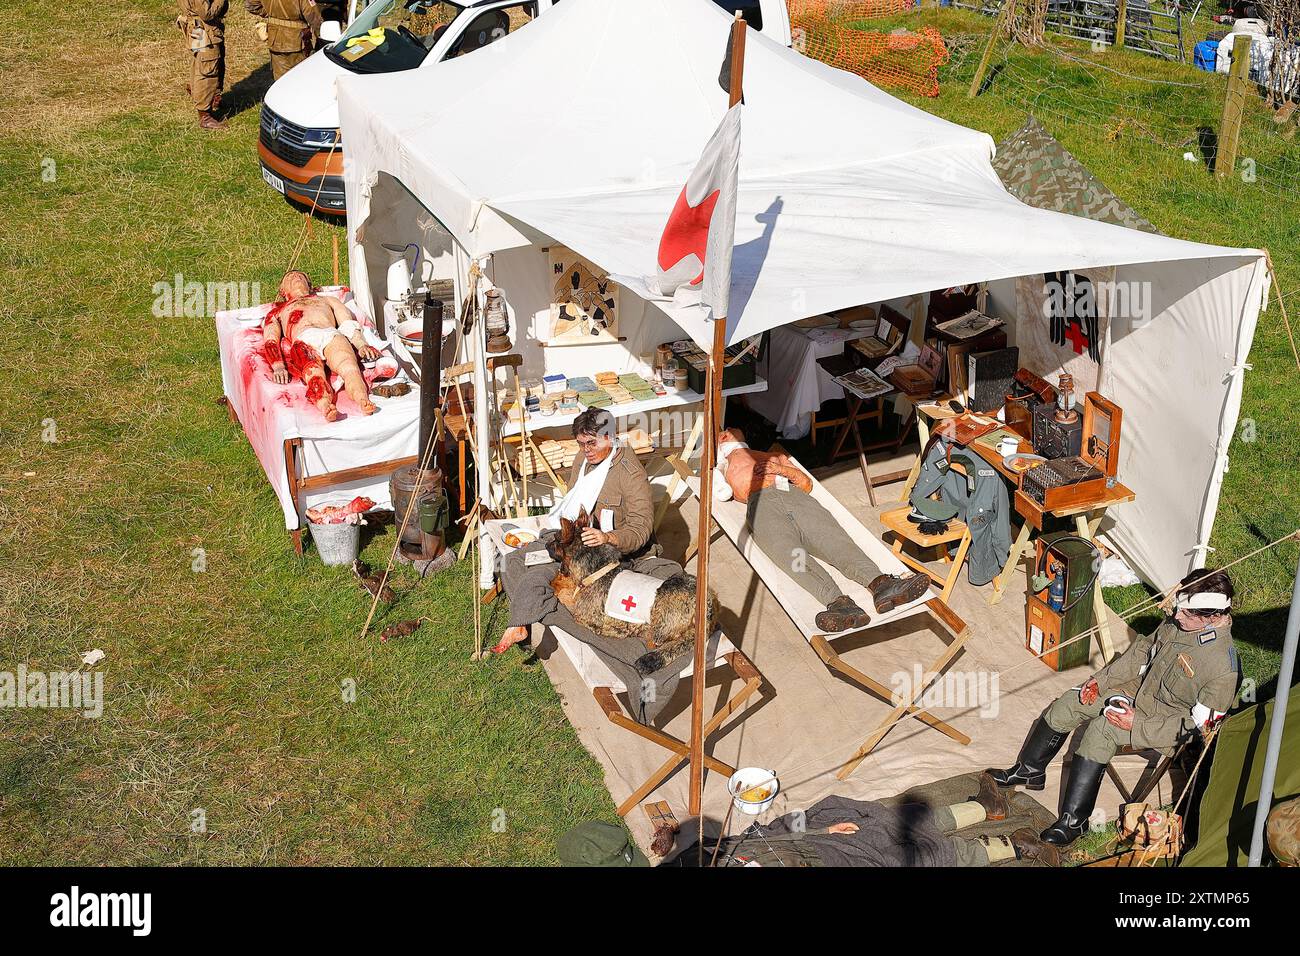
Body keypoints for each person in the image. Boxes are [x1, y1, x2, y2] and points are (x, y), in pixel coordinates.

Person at [990, 569, 1241, 847]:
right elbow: (1141, 654)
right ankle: (1029, 770)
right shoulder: (1181, 621)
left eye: (1187, 613)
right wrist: (1099, 681)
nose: (1177, 616)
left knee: (1101, 729)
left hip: (1163, 724)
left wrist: (1137, 724)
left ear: (1213, 617)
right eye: (1178, 608)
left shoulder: (1222, 668)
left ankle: (1075, 822)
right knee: (1069, 703)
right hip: (1140, 691)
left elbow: (1198, 728)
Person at [715, 427, 929, 632]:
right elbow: (722, 493)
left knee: (834, 541)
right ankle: (839, 604)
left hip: (793, 495)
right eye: (719, 433)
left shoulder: (774, 455)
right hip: (761, 507)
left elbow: (806, 484)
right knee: (791, 556)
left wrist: (779, 469)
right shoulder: (720, 471)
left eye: (730, 428)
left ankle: (882, 585)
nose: (725, 431)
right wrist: (722, 468)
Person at [493, 408, 656, 654]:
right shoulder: (584, 460)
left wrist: (608, 537)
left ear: (610, 437)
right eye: (581, 444)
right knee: (513, 560)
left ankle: (554, 620)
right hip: (578, 544)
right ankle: (524, 619)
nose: (586, 450)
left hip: (609, 554)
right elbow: (574, 502)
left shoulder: (630, 474)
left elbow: (641, 527)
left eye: (591, 443)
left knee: (536, 576)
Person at [636, 773, 1057, 867]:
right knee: (912, 854)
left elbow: (758, 841)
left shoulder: (696, 862)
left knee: (880, 822)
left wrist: (820, 827)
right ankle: (1013, 846)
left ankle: (987, 808)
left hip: (803, 844)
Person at [261, 270, 380, 421]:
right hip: (303, 341)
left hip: (330, 334)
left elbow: (346, 322)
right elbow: (271, 338)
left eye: (301, 276)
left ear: (310, 286)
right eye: (290, 277)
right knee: (315, 377)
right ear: (282, 291)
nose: (296, 277)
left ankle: (362, 399)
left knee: (349, 367)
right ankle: (325, 406)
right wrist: (278, 365)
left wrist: (361, 344)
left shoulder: (327, 300)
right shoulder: (277, 312)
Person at [176, 0, 229, 130]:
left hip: (199, 30)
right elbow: (207, 13)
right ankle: (205, 116)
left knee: (202, 65)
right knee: (207, 71)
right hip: (205, 31)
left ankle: (210, 99)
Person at [247, 0, 323, 81]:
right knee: (301, 79)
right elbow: (315, 19)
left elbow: (251, 6)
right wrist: (322, 39)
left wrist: (273, 15)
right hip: (297, 43)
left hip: (276, 42)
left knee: (281, 81)